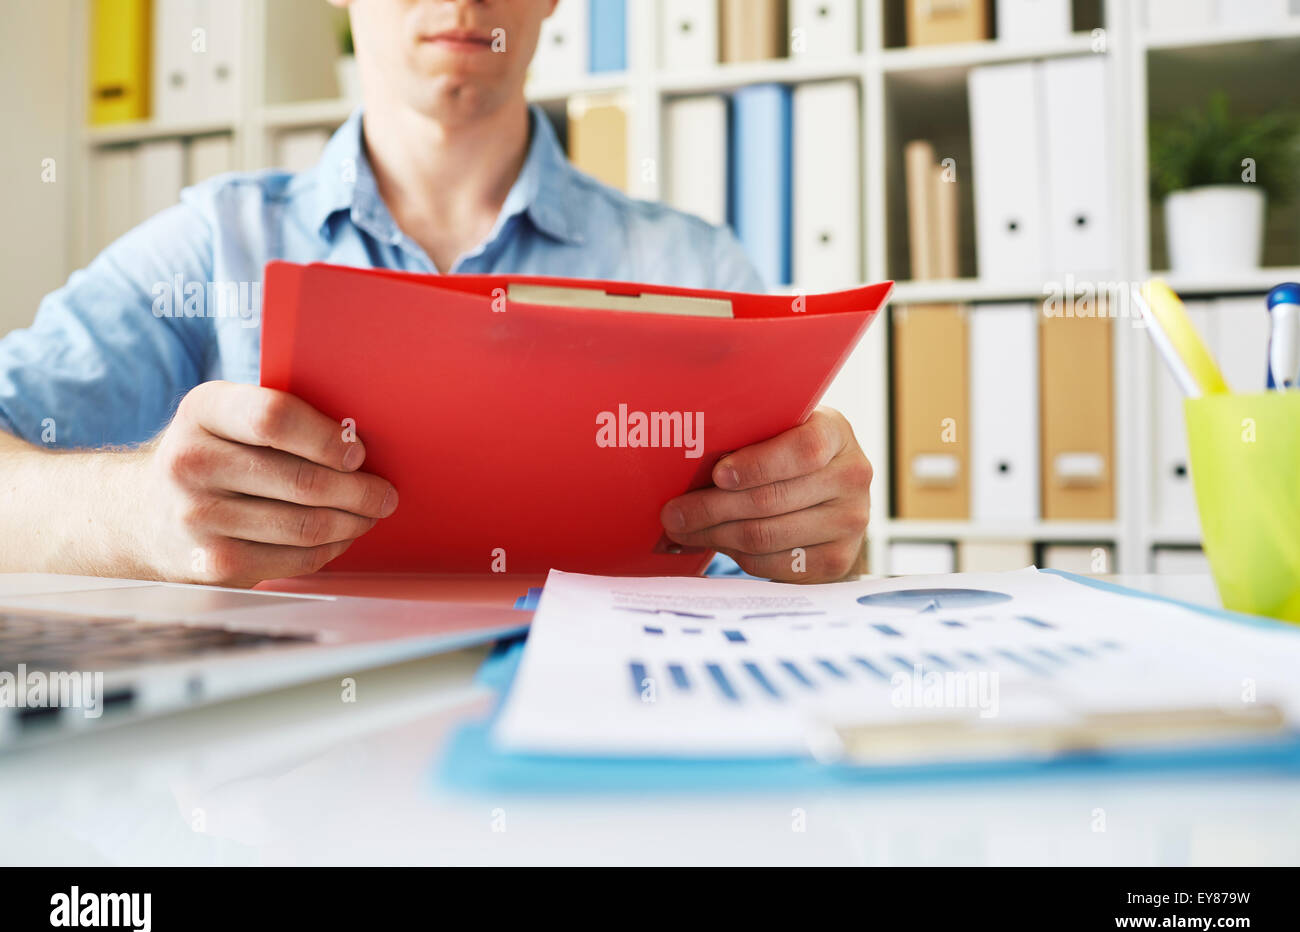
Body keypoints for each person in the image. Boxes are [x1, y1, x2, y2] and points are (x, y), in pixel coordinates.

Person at [0, 0, 871, 587]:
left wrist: (817, 534)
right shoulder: (211, 248)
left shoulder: (698, 270)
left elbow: (802, 563)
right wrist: (141, 510)